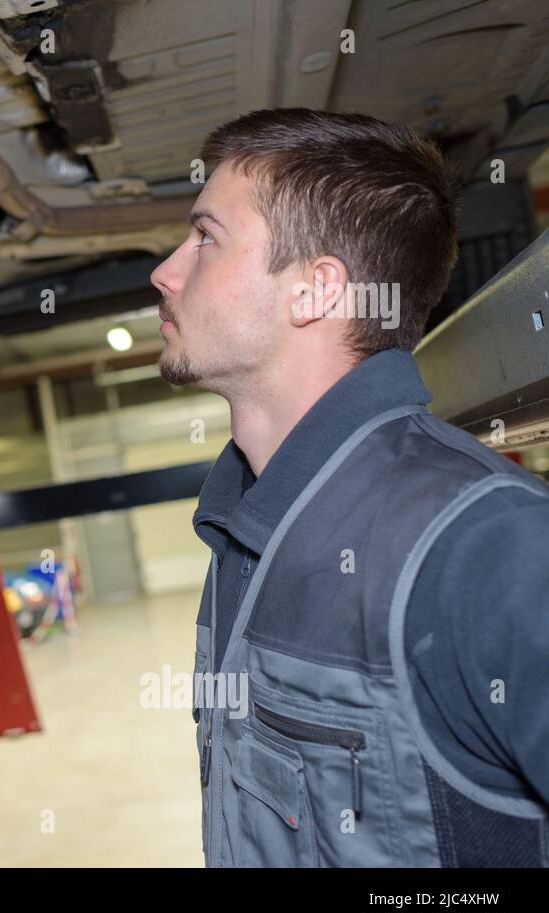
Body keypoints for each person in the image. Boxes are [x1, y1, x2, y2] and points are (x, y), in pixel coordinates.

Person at [154, 108, 549, 866]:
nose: (167, 270)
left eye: (206, 238)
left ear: (314, 289)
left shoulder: (483, 546)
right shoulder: (247, 530)